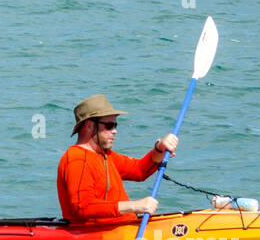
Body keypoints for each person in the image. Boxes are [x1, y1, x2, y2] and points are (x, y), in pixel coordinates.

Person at [57, 95, 179, 223]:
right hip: (94, 234)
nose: (115, 131)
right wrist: (134, 206)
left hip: (121, 227)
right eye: (109, 126)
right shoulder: (77, 159)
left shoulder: (105, 155)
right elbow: (83, 207)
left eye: (115, 125)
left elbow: (139, 170)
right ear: (89, 125)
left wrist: (159, 149)